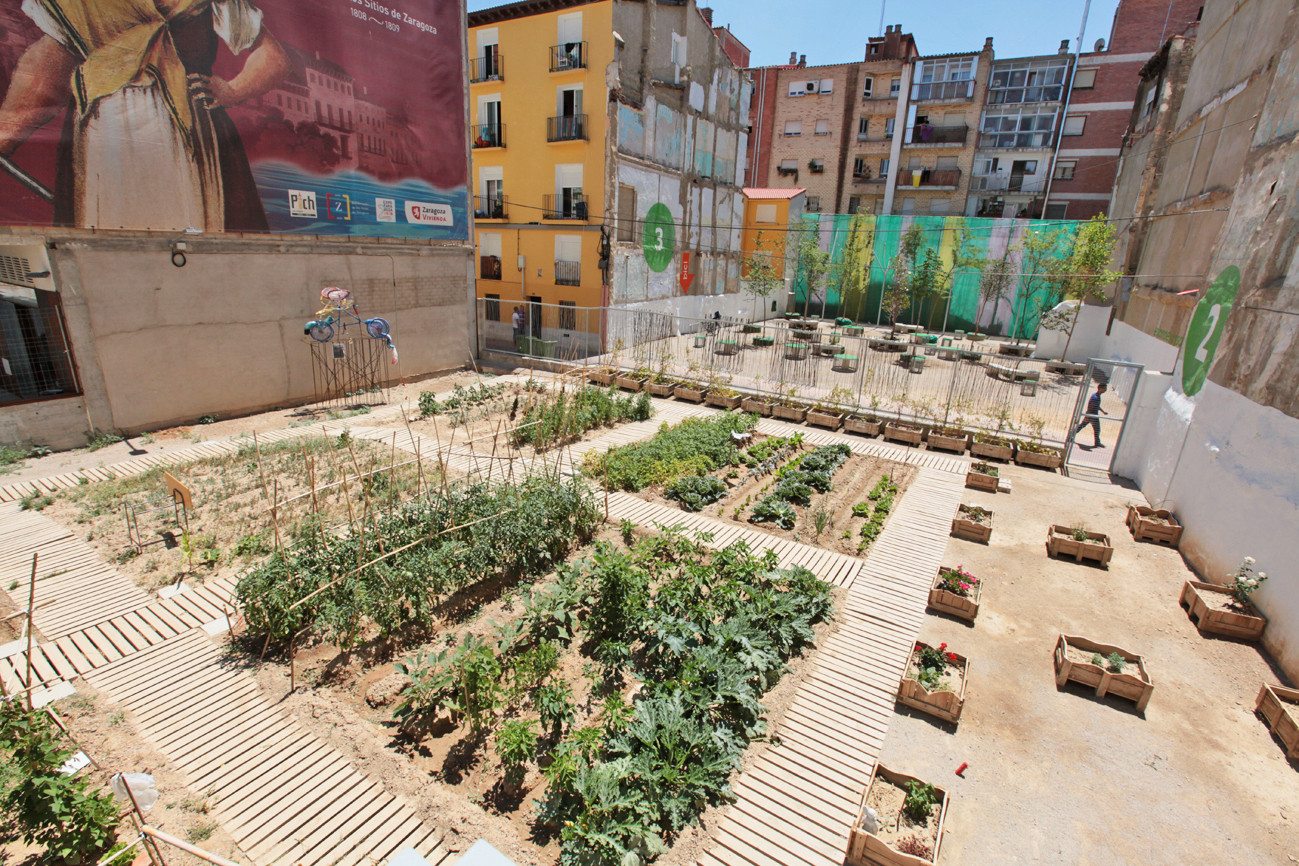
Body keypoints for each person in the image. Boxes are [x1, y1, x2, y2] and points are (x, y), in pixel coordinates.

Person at [0, 0, 290, 232]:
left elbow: (273, 56)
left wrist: (233, 91)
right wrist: (6, 134)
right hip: (103, 136)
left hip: (188, 135)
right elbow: (51, 63)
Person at [1075, 382, 1108, 447]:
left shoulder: (1097, 396)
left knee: (1081, 426)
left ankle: (1071, 435)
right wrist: (1087, 416)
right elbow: (1091, 407)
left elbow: (1096, 405)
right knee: (1097, 429)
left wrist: (1103, 412)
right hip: (1092, 415)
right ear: (1100, 388)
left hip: (1090, 415)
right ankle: (1097, 443)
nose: (1105, 390)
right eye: (1104, 388)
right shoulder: (1095, 397)